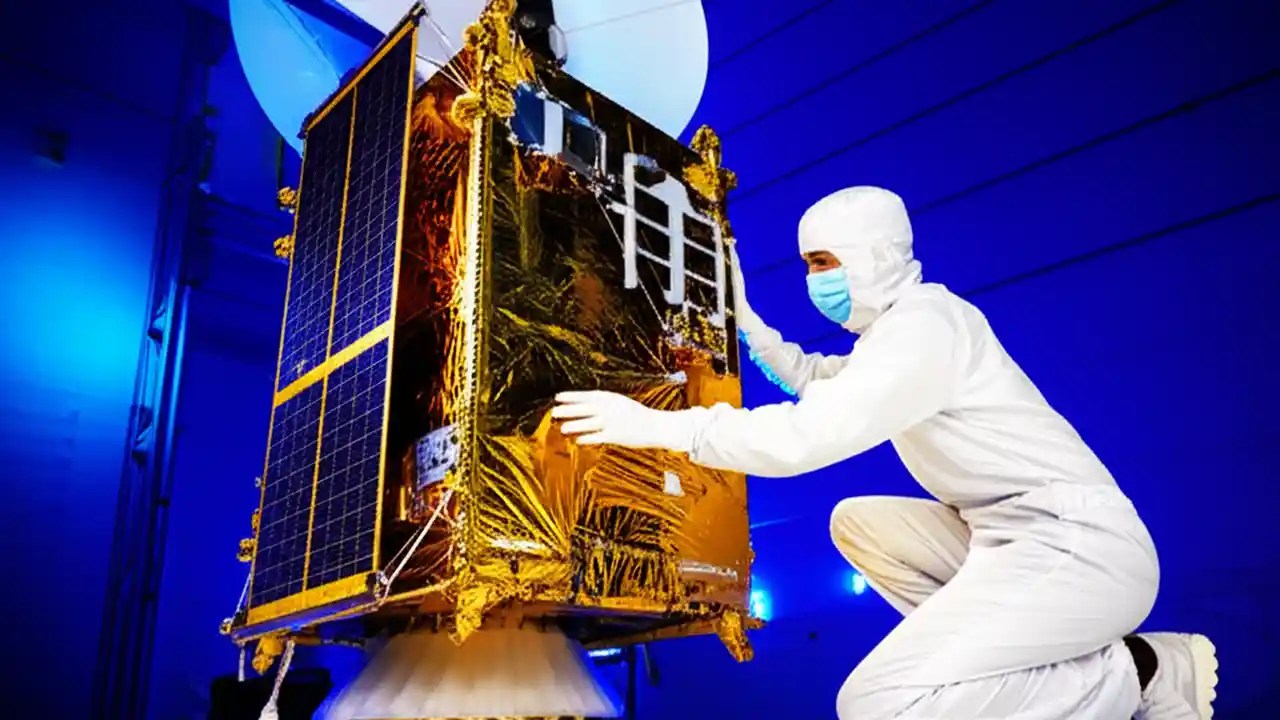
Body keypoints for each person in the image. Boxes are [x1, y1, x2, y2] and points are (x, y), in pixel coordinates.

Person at [552, 186, 1218, 719]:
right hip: (1003, 536)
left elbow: (806, 434)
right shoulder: (893, 337)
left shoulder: (927, 330)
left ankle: (1135, 672)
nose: (814, 281)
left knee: (878, 702)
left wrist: (656, 426)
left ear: (871, 256)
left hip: (1080, 547)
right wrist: (747, 320)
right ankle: (1071, 669)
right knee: (856, 520)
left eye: (822, 263)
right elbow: (815, 378)